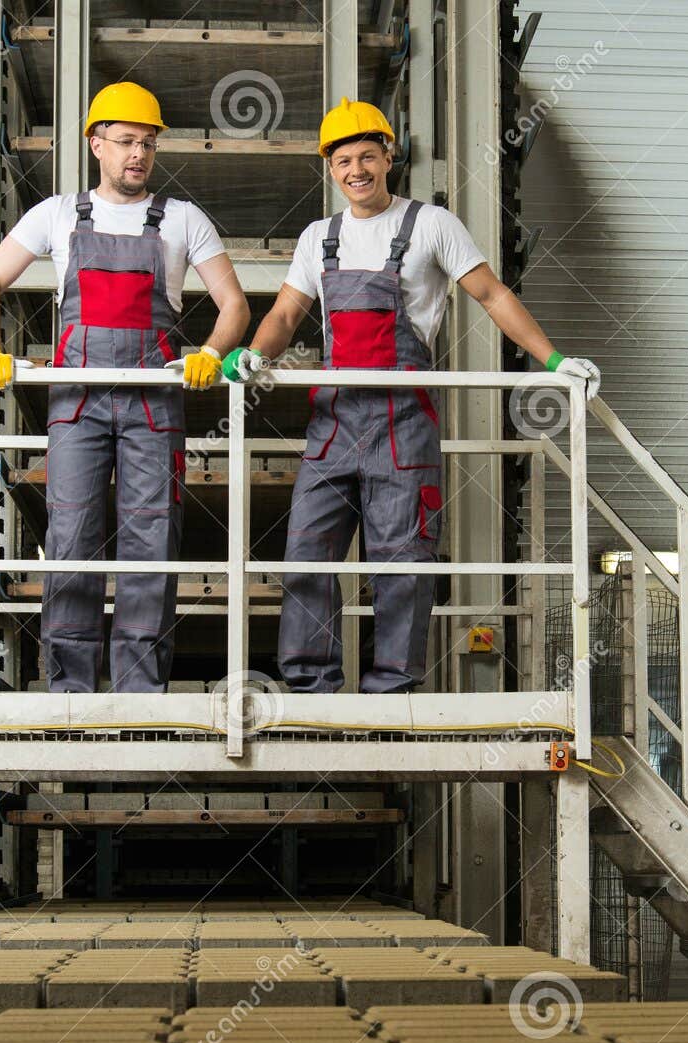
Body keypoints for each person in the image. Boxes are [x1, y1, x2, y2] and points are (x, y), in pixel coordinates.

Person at [223, 97, 598, 694]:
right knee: (306, 553)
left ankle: (390, 692)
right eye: (343, 161)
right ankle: (312, 689)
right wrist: (255, 355)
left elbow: (492, 295)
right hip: (334, 419)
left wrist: (552, 360)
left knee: (402, 562)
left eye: (367, 156)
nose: (357, 170)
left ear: (388, 156)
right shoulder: (320, 237)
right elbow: (287, 313)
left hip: (403, 422)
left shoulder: (431, 224)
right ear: (330, 168)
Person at [0, 81, 249, 692]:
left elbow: (234, 304)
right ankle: (70, 691)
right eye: (124, 141)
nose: (137, 154)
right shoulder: (56, 215)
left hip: (153, 403)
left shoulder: (182, 219)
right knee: (72, 536)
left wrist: (211, 353)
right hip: (79, 402)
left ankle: (140, 695)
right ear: (96, 144)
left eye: (147, 143)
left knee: (152, 539)